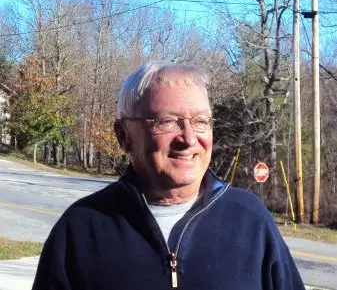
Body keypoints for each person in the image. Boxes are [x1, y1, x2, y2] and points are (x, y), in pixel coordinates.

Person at [32, 60, 305, 290]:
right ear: (123, 135)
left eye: (200, 121)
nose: (188, 138)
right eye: (167, 121)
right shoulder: (81, 229)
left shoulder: (250, 220)